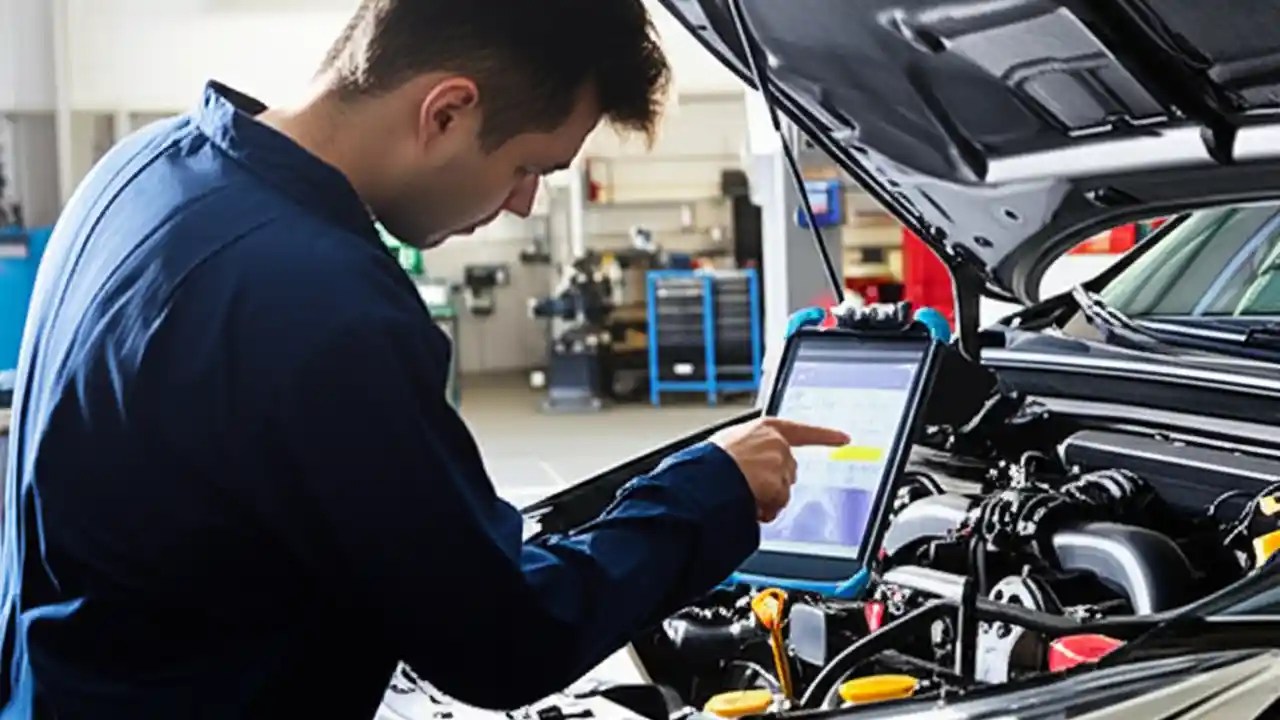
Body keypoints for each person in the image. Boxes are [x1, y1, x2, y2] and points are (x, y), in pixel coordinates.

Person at [0, 1, 850, 717]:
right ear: (446, 112)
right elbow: (504, 641)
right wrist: (707, 492)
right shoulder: (321, 304)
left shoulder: (146, 167)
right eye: (527, 167)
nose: (523, 204)